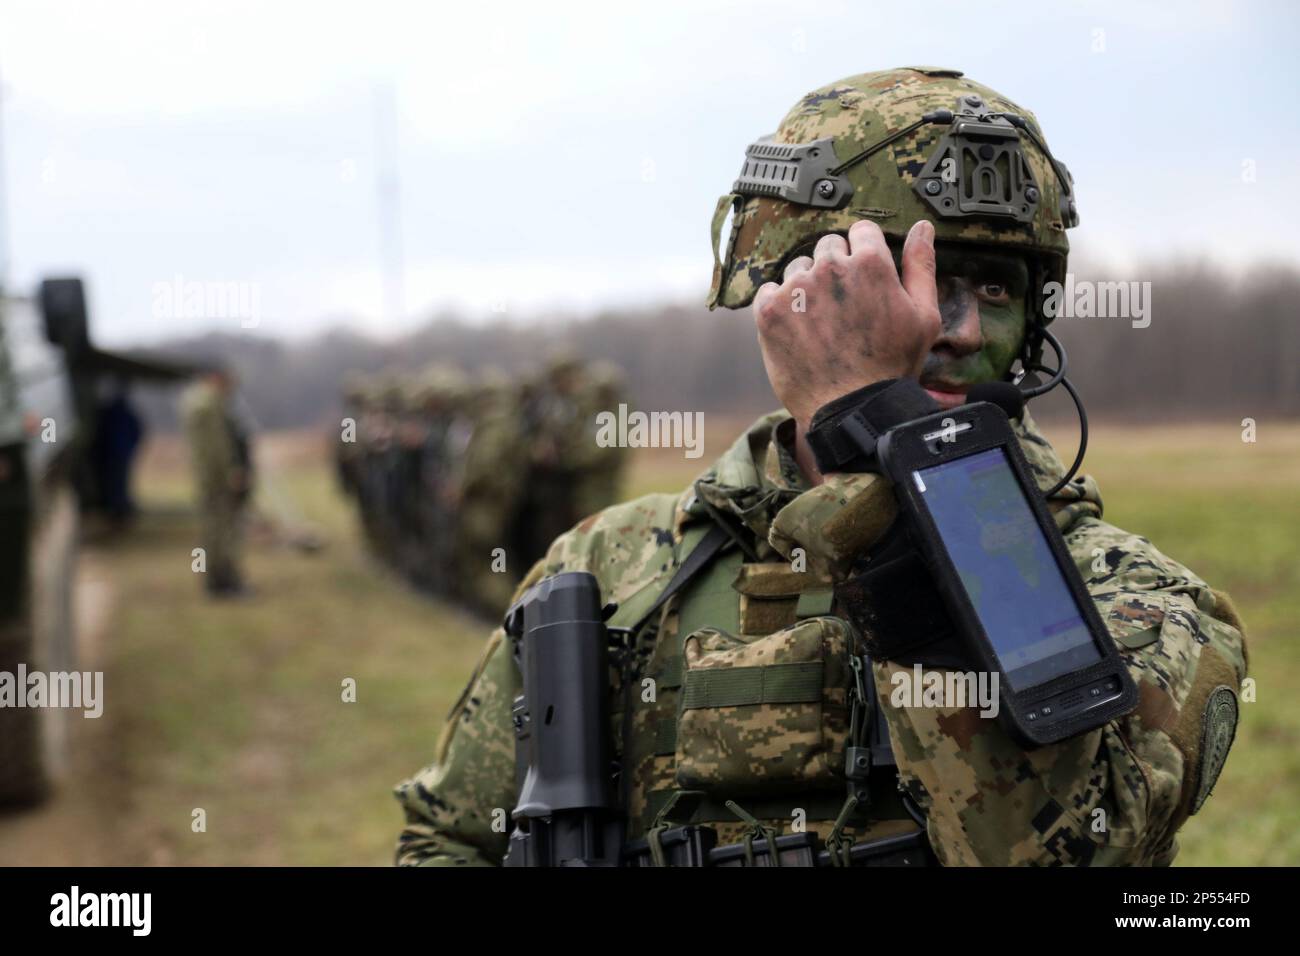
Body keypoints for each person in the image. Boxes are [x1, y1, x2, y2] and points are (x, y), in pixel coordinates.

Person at [393, 67, 1247, 866]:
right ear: (784, 302)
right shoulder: (610, 566)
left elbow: (1055, 849)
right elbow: (452, 837)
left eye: (994, 289)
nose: (953, 328)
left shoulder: (1137, 600)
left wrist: (873, 430)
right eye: (902, 280)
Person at [181, 367, 252, 597]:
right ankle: (222, 581)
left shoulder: (195, 401)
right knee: (220, 531)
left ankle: (212, 579)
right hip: (216, 479)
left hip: (206, 477)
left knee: (211, 528)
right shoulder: (209, 405)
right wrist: (231, 471)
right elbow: (218, 446)